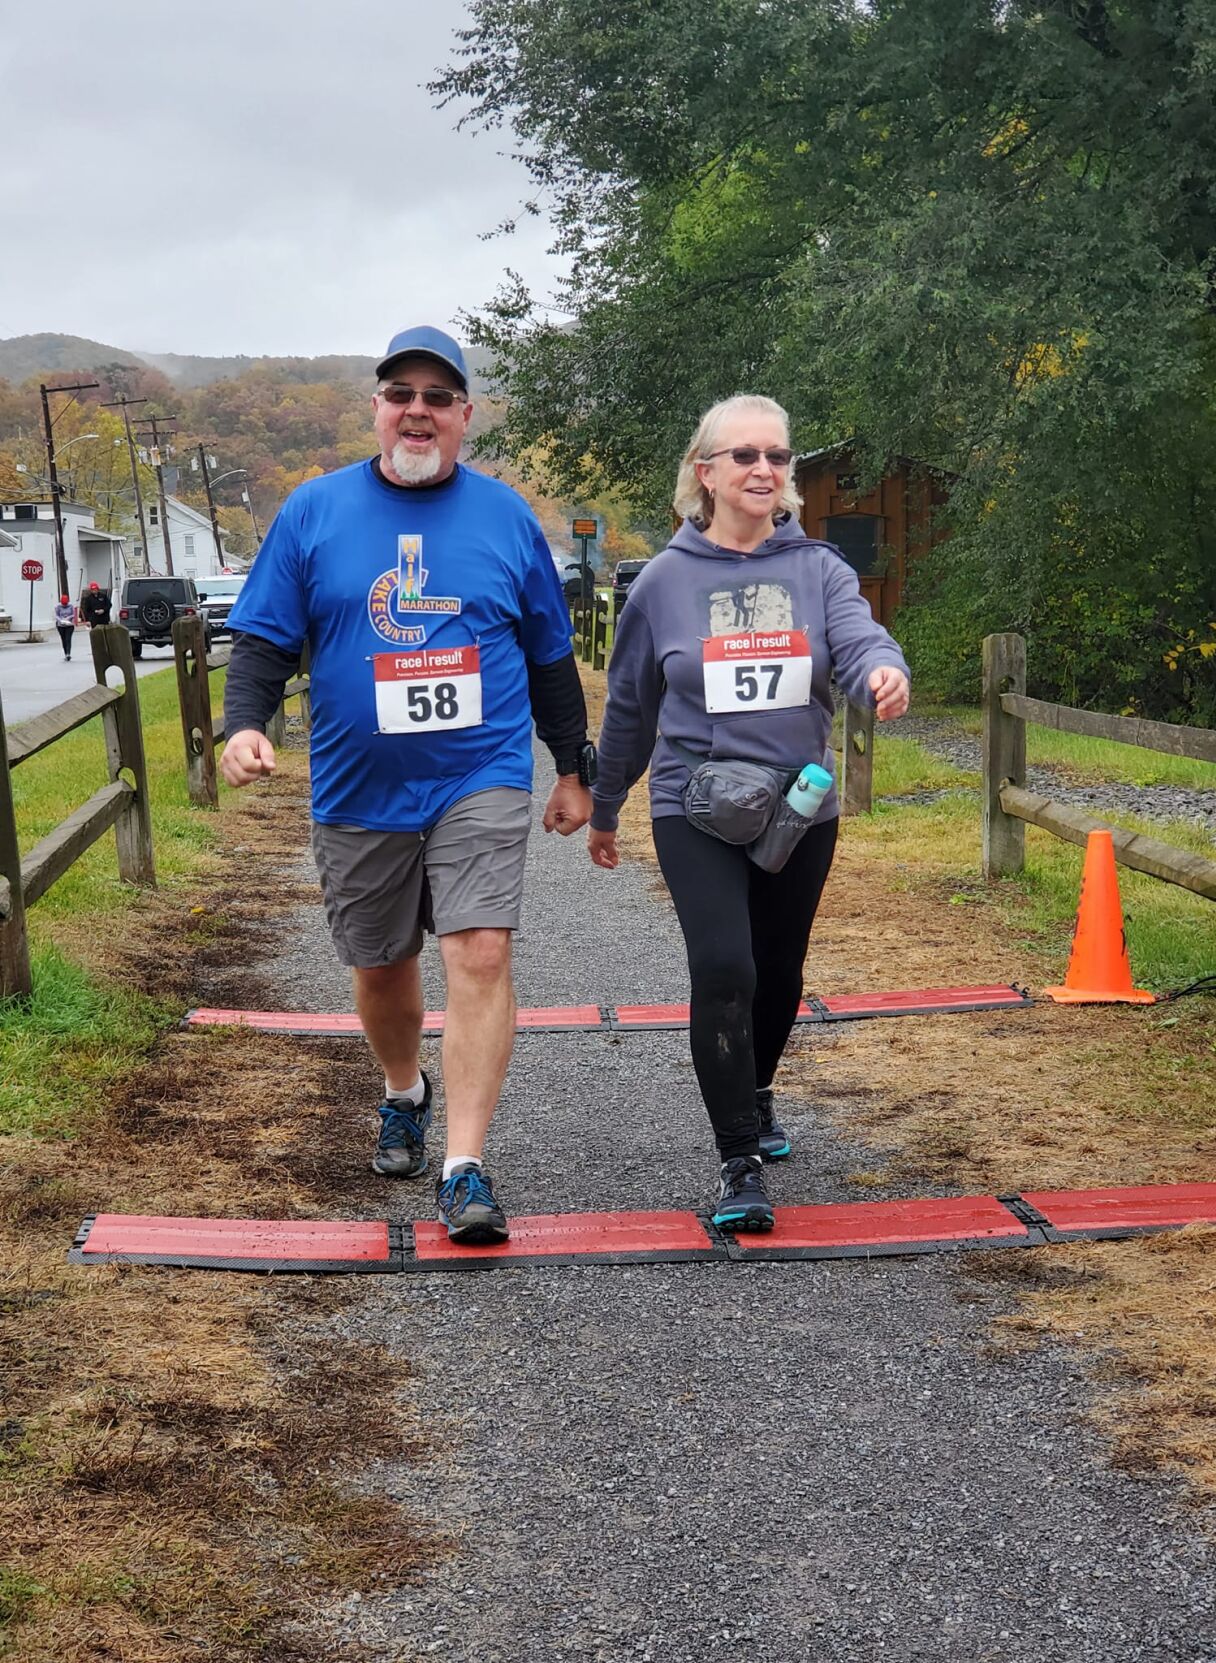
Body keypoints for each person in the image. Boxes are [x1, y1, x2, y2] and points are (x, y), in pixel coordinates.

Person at [220, 325, 595, 1244]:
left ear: (464, 416)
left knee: (478, 951)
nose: (417, 411)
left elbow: (551, 657)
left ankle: (464, 1166)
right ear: (377, 409)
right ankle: (403, 1090)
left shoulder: (506, 518)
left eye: (437, 397)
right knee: (381, 967)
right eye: (401, 395)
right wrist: (244, 724)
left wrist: (574, 770)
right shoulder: (314, 511)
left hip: (481, 772)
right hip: (357, 785)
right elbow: (264, 638)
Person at [587, 394, 911, 1232]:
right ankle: (737, 1158)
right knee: (725, 968)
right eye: (744, 456)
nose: (764, 469)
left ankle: (756, 1090)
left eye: (777, 456)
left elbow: (858, 635)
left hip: (798, 804)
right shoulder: (663, 581)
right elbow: (630, 706)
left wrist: (883, 669)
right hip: (692, 802)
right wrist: (605, 805)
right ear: (706, 473)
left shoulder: (819, 569)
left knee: (778, 969)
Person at [54, 595, 76, 660]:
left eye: (65, 604)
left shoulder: (71, 606)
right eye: (63, 604)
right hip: (61, 625)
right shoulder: (58, 606)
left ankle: (68, 654)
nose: (64, 605)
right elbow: (56, 615)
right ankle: (65, 653)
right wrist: (60, 620)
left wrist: (68, 618)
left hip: (69, 625)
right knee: (63, 639)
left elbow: (73, 614)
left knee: (68, 639)